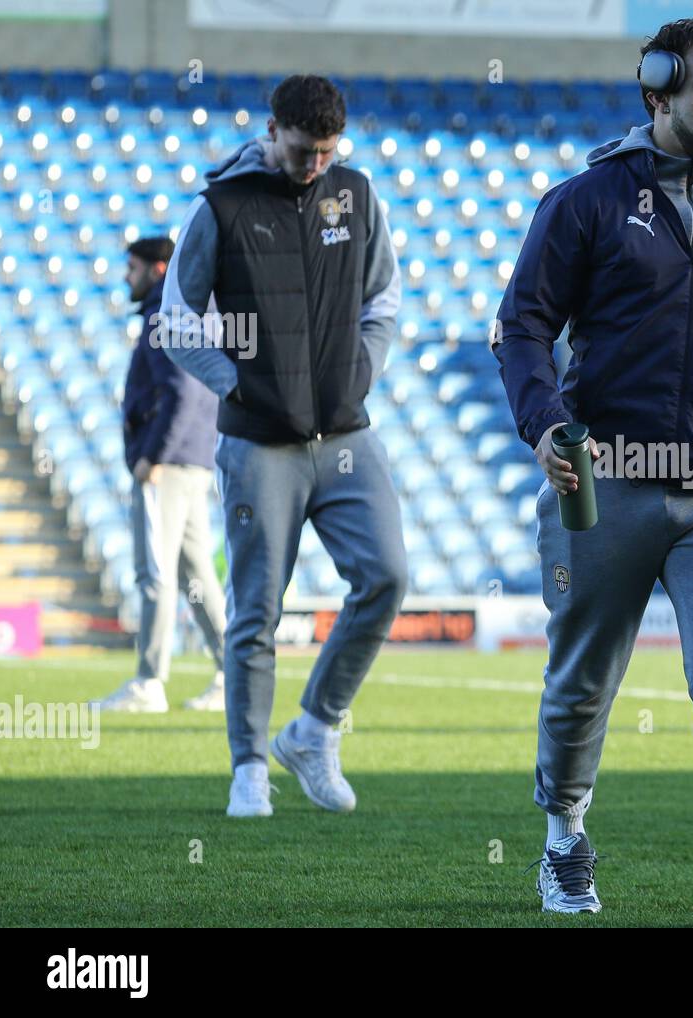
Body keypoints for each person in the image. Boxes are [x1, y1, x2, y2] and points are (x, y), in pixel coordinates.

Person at [494, 17, 693, 927]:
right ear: (658, 90)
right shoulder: (585, 202)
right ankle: (564, 838)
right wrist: (546, 425)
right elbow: (522, 326)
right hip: (609, 477)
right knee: (584, 676)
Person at [159, 74, 406, 818]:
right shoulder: (222, 206)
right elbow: (175, 320)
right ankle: (248, 769)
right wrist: (234, 383)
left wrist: (364, 367)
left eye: (327, 152)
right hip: (259, 444)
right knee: (256, 611)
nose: (314, 166)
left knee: (388, 577)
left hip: (347, 436)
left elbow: (384, 296)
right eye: (303, 151)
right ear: (272, 131)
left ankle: (314, 729)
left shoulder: (356, 194)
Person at [93, 236, 227, 714]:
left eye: (133, 267)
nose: (126, 276)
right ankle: (233, 675)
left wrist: (152, 455)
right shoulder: (189, 313)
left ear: (158, 268)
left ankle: (150, 681)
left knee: (155, 573)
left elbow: (180, 392)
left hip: (167, 466)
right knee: (196, 575)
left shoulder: (162, 317)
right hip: (192, 461)